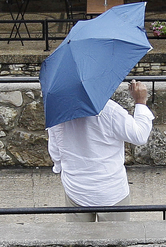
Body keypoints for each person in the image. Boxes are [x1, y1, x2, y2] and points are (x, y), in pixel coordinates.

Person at [47, 79, 153, 222]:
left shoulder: (57, 111)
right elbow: (140, 135)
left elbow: (56, 153)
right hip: (111, 190)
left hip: (76, 190)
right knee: (116, 242)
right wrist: (140, 101)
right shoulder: (109, 110)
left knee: (78, 242)